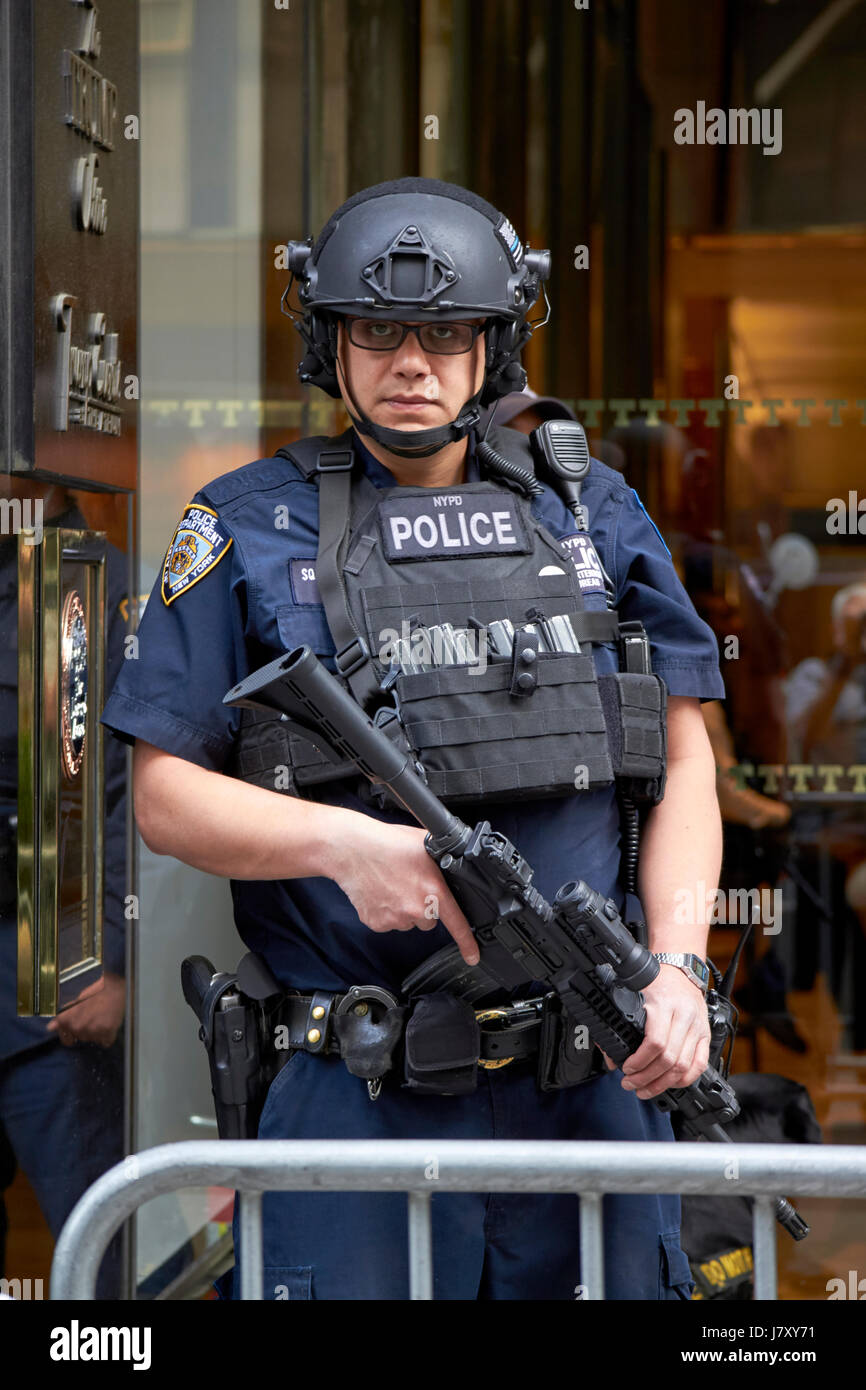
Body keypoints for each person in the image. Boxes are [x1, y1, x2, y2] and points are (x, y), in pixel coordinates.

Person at [101, 177, 725, 1300]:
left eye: (446, 333)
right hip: (358, 1086)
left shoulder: (592, 514)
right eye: (376, 330)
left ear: (493, 349)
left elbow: (681, 759)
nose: (410, 363)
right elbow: (165, 796)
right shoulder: (242, 523)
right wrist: (346, 848)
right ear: (328, 343)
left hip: (586, 1075)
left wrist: (678, 966)